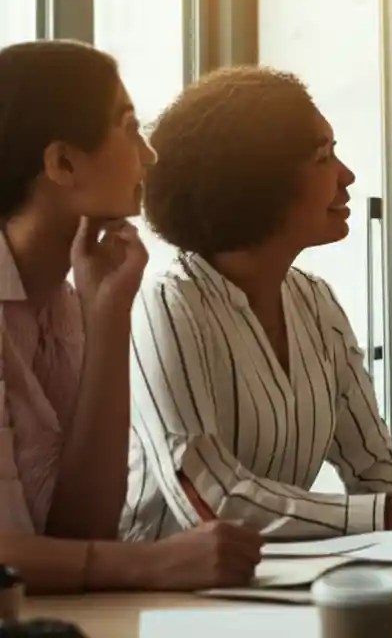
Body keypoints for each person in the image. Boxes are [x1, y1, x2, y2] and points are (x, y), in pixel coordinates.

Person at [123, 66, 392, 539]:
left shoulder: (314, 300)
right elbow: (212, 500)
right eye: (323, 158)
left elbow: (374, 463)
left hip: (269, 585)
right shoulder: (168, 307)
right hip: (153, 599)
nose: (346, 176)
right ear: (257, 181)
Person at [0, 40, 261, 592]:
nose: (149, 155)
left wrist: (109, 315)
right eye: (128, 127)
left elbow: (83, 529)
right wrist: (157, 563)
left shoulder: (65, 302)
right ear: (62, 162)